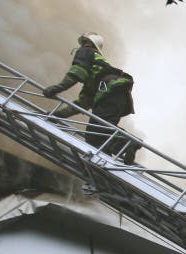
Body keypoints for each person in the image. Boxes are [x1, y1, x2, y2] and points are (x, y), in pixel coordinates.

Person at [42, 32, 139, 164]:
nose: (81, 45)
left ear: (88, 43)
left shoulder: (86, 51)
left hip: (109, 90)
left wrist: (57, 88)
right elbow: (82, 104)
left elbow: (77, 72)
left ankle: (127, 143)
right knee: (95, 134)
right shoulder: (95, 74)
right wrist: (57, 115)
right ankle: (114, 155)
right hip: (117, 94)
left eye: (83, 42)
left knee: (98, 130)